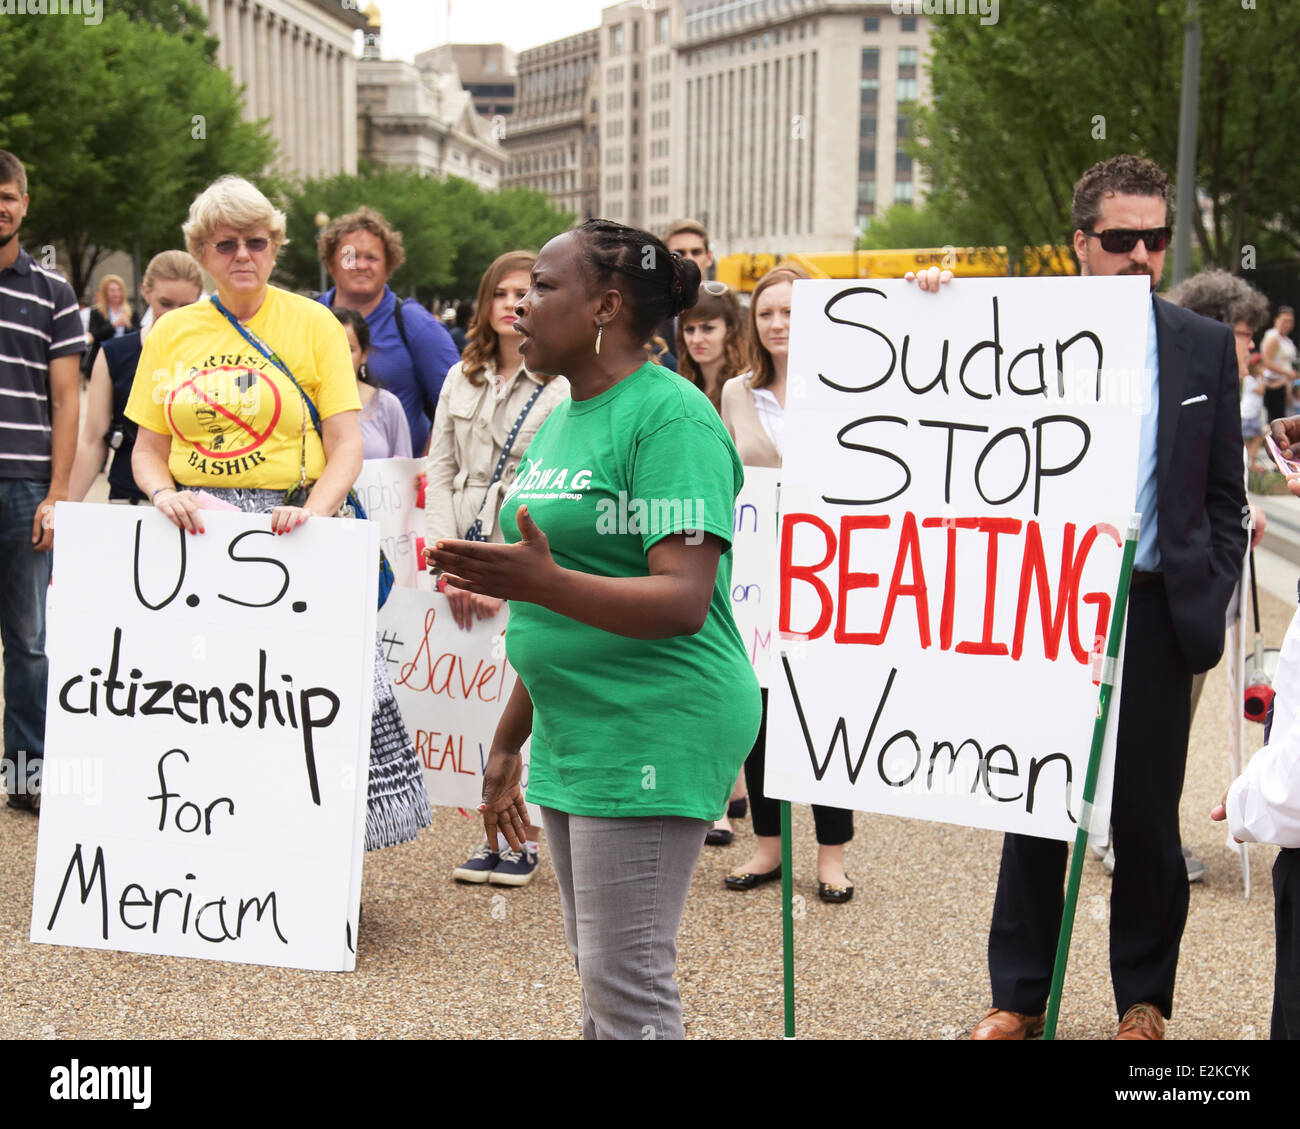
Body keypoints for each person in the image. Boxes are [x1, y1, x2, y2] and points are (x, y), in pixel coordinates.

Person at [924, 155, 1248, 1041]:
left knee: (1145, 810)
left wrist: (1207, 581)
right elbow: (934, 375)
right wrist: (930, 299)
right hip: (1043, 599)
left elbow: (1224, 493)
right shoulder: (1015, 328)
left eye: (1155, 237)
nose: (1140, 253)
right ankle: (1019, 995)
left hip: (1152, 602)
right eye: (1119, 238)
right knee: (1033, 798)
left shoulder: (1202, 344)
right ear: (1080, 243)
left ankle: (1143, 999)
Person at [425, 219, 761, 1039]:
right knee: (604, 974)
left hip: (654, 717)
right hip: (576, 723)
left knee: (628, 988)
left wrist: (540, 578)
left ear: (607, 305)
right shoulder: (566, 412)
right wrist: (507, 740)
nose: (521, 306)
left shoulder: (671, 418)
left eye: (543, 287)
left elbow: (682, 598)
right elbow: (550, 610)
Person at [126, 175, 431, 857]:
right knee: (216, 698)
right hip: (198, 528)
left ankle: (314, 864)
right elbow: (148, 450)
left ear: (275, 247)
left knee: (311, 697)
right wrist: (159, 493)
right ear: (201, 250)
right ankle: (227, 855)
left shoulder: (314, 322)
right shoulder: (172, 333)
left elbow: (347, 441)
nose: (243, 254)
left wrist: (317, 513)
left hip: (298, 523)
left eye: (256, 242)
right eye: (225, 243)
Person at [424, 250, 569, 888]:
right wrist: (447, 561)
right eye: (502, 292)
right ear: (484, 303)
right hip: (462, 546)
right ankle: (487, 828)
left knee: (524, 693)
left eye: (526, 292)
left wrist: (498, 572)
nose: (514, 303)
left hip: (523, 554)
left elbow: (553, 486)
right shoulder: (462, 377)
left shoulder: (561, 384)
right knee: (470, 705)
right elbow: (442, 468)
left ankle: (524, 836)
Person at [718, 266, 856, 899]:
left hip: (832, 573)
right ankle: (770, 845)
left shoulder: (851, 390)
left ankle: (832, 853)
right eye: (768, 313)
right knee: (763, 710)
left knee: (826, 708)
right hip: (759, 577)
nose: (778, 324)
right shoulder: (735, 394)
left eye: (792, 312)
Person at [0, 149, 84, 813]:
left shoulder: (53, 292)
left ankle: (27, 777)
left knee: (28, 641)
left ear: (25, 205)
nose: (1, 206)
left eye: (8, 195)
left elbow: (67, 401)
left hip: (26, 483)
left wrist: (58, 493)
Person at [675, 280, 750, 846]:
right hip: (705, 541)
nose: (698, 338)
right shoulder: (677, 387)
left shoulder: (744, 389)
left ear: (730, 331)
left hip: (752, 537)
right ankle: (723, 795)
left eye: (709, 327)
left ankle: (732, 787)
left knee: (740, 660)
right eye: (690, 327)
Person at [316, 206, 461, 457]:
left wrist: (427, 466)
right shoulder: (308, 317)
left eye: (371, 258)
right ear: (331, 263)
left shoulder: (415, 324)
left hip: (394, 483)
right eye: (350, 256)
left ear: (389, 265)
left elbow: (457, 404)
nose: (361, 265)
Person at [69, 251, 205, 505]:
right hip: (131, 500)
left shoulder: (218, 353)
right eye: (165, 303)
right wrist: (63, 511)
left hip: (199, 503)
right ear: (146, 292)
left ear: (199, 298)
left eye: (186, 306)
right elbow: (93, 439)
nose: (174, 315)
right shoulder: (115, 353)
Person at [330, 306, 412, 460]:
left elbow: (404, 467)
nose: (340, 355)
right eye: (331, 347)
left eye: (349, 349)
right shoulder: (305, 406)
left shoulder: (388, 405)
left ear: (364, 355)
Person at [84, 274, 138, 379]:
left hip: (125, 359)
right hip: (104, 357)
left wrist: (129, 326)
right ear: (105, 292)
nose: (116, 293)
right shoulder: (96, 312)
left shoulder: (131, 312)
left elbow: (138, 333)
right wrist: (113, 326)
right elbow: (94, 335)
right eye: (112, 290)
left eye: (119, 290)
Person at [1261, 307, 1296, 422]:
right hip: (1273, 385)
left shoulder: (1287, 340)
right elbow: (1266, 361)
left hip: (1284, 385)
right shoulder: (1273, 337)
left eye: (1290, 321)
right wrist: (1287, 372)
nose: (1288, 324)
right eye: (1285, 320)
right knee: (1275, 421)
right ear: (1276, 320)